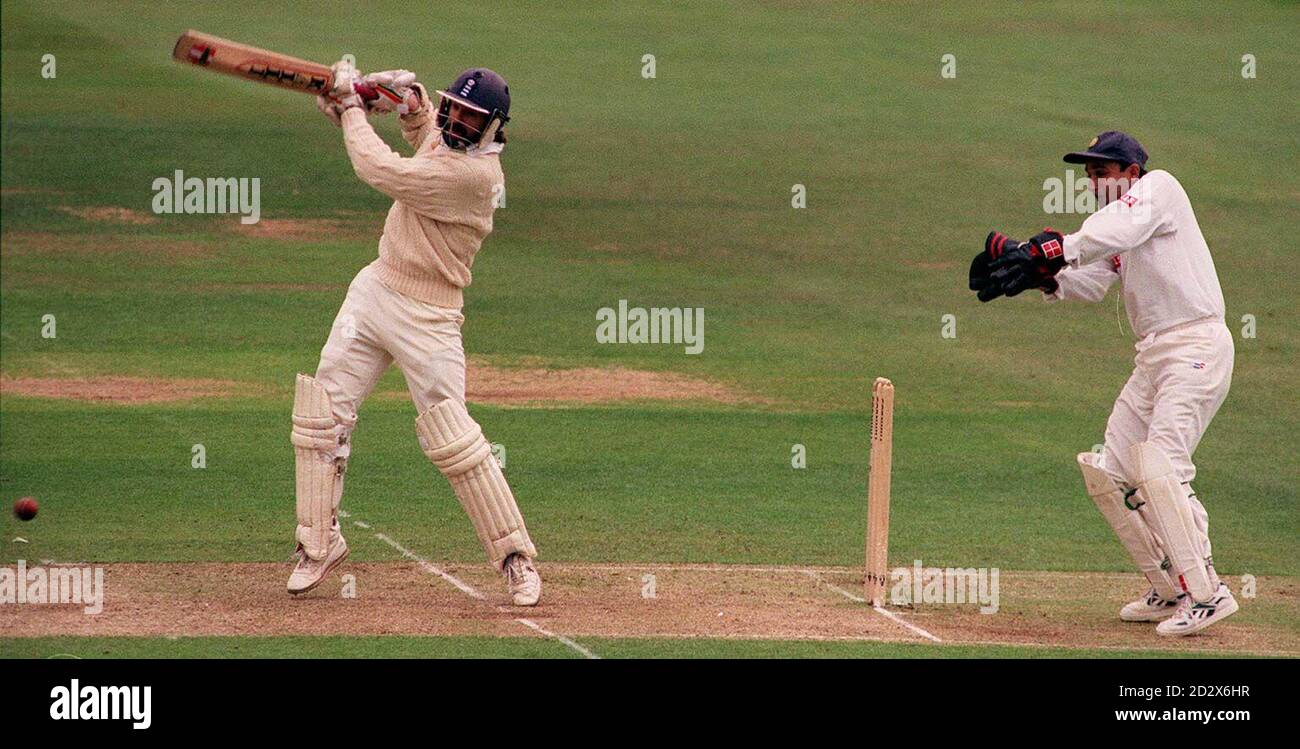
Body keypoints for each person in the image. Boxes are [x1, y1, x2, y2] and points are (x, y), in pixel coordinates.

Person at [287, 61, 540, 606]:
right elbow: (428, 139)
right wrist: (410, 106)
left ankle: (514, 557)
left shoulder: (474, 179)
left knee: (452, 436)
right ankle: (318, 543)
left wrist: (353, 108)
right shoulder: (449, 145)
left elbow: (383, 172)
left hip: (431, 314)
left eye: (469, 119)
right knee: (320, 413)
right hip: (377, 288)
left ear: (493, 131)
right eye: (452, 108)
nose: (455, 123)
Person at [969, 131, 1236, 636]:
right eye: (1090, 176)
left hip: (1196, 346)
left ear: (1131, 172)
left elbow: (1111, 231)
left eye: (1103, 173)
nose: (1095, 183)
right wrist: (1040, 276)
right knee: (1111, 471)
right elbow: (1092, 278)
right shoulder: (1122, 230)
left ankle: (1207, 592)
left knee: (1161, 469)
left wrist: (1049, 249)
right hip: (1155, 355)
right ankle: (1169, 586)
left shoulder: (1160, 190)